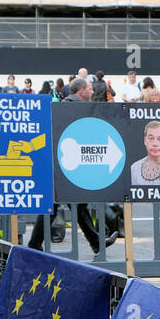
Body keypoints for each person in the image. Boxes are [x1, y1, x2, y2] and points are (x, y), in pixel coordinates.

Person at [64, 76, 117, 252]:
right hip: (68, 164)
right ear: (81, 91)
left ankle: (96, 242)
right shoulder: (80, 108)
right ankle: (34, 244)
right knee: (60, 205)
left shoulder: (64, 104)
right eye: (90, 88)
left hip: (64, 163)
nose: (93, 91)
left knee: (76, 204)